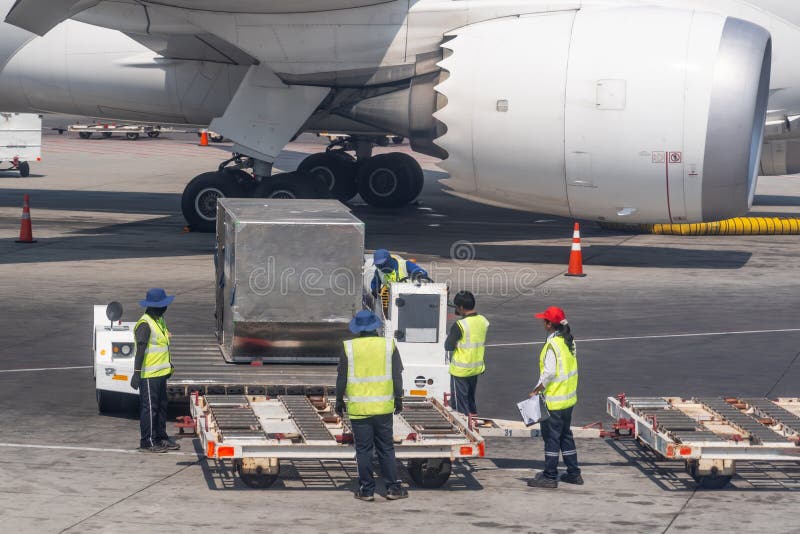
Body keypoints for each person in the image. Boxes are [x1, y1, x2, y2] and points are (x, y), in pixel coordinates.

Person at [335, 310, 408, 501]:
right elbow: (397, 376)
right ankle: (393, 489)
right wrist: (399, 399)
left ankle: (367, 490)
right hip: (383, 408)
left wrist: (338, 400)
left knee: (364, 450)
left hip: (359, 410)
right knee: (386, 448)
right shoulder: (388, 345)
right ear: (375, 326)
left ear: (358, 328)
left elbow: (341, 378)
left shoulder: (349, 347)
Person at [527, 306, 582, 488]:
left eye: (544, 320)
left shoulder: (552, 345)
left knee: (551, 438)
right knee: (565, 436)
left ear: (549, 324)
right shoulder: (569, 341)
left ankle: (550, 476)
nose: (542, 323)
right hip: (568, 400)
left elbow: (549, 373)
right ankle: (574, 473)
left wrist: (536, 390)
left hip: (554, 401)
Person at [130, 288, 180, 453]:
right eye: (162, 305)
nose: (165, 308)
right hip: (149, 375)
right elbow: (140, 350)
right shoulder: (145, 324)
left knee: (161, 407)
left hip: (160, 374)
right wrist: (136, 373)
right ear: (153, 307)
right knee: (150, 409)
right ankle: (148, 442)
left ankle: (160, 437)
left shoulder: (159, 320)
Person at [444, 290, 490, 416]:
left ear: (461, 307)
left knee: (460, 406)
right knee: (470, 401)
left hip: (460, 370)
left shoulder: (460, 325)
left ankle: (464, 424)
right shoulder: (483, 321)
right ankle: (473, 420)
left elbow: (448, 346)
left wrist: (456, 343)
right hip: (475, 368)